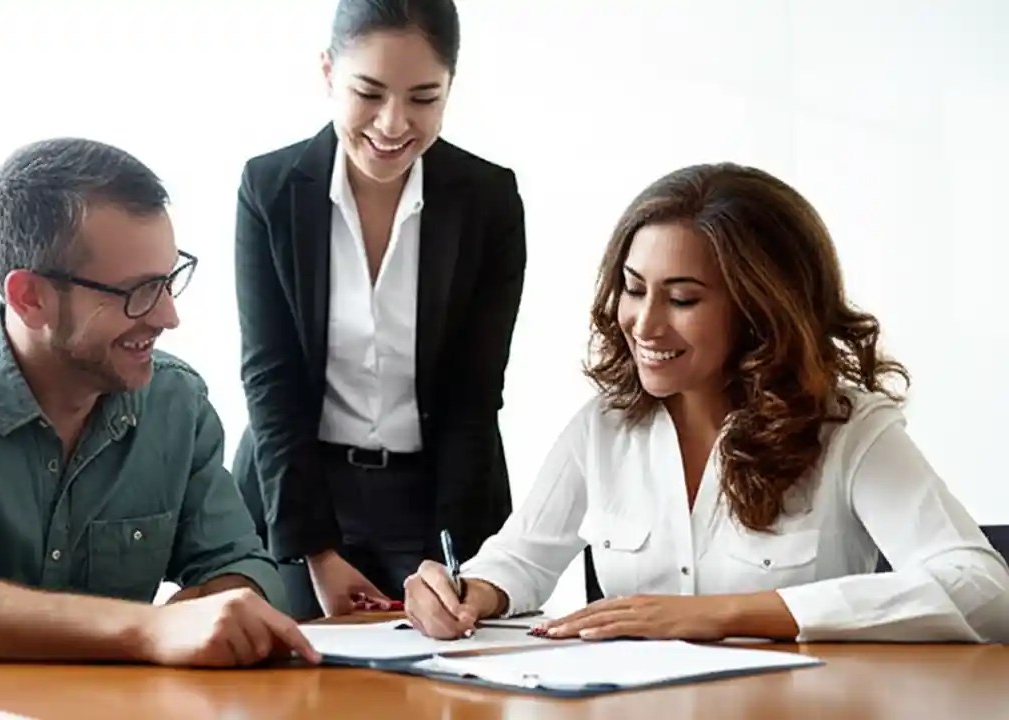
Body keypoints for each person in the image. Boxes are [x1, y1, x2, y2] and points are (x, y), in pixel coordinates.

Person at [403, 162, 1009, 643]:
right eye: (634, 289)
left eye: (683, 299)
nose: (643, 323)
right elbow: (523, 558)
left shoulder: (848, 430)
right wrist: (470, 591)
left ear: (758, 308)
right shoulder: (604, 427)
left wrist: (727, 615)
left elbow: (983, 590)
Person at [0, 138, 320, 667]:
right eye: (136, 292)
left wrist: (210, 614)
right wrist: (144, 630)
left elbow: (246, 570)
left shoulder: (175, 401)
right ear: (30, 298)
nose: (168, 316)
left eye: (168, 281)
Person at [233, 0, 527, 620]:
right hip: (301, 496)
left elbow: (475, 394)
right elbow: (270, 381)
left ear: (451, 88)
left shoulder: (487, 201)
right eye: (368, 93)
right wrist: (316, 550)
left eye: (424, 99)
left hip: (436, 498)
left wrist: (449, 561)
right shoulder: (269, 189)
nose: (393, 124)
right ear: (327, 74)